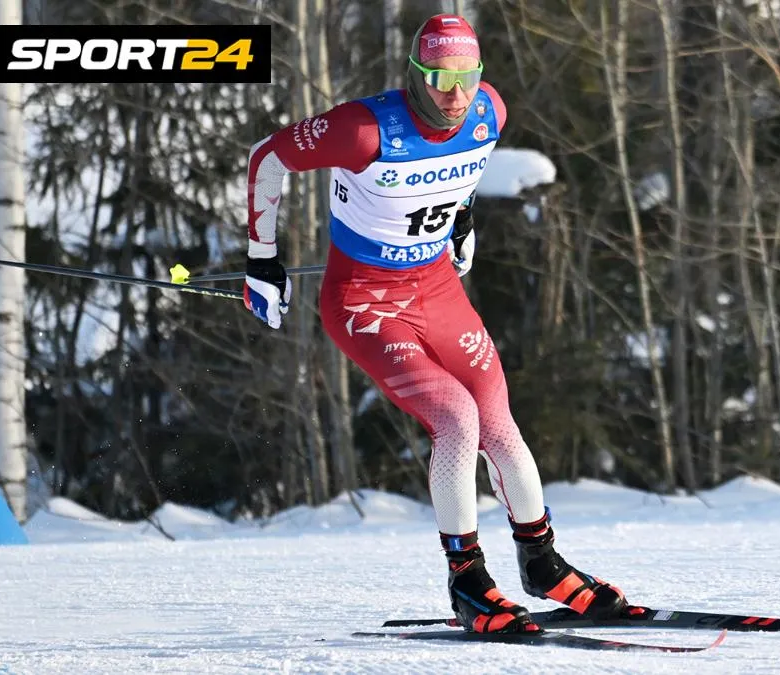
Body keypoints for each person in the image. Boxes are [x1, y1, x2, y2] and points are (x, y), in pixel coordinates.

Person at [240, 14, 630, 634]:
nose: (455, 93)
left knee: (497, 420)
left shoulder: (489, 111)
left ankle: (543, 563)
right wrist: (262, 258)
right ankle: (467, 580)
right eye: (440, 78)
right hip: (364, 300)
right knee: (455, 416)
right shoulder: (363, 129)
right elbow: (266, 158)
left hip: (438, 290)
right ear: (417, 75)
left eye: (467, 77)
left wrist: (461, 223)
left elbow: (464, 167)